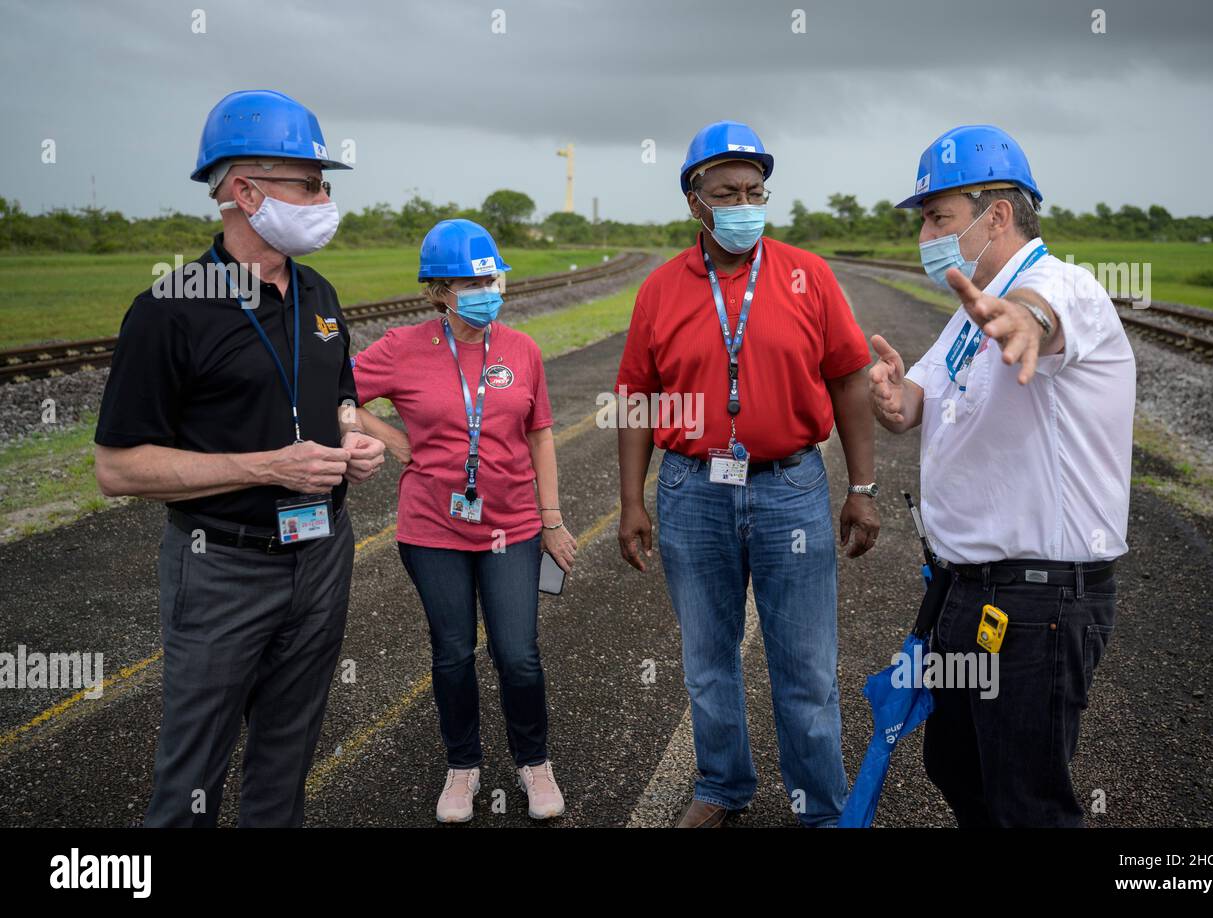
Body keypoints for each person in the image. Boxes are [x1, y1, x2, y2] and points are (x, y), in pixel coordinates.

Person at [93, 90, 386, 827]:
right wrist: (267, 467)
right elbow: (118, 468)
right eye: (308, 182)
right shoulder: (170, 308)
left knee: (286, 759)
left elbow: (340, 390)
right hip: (221, 564)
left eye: (325, 183)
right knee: (192, 771)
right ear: (244, 191)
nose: (324, 198)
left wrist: (352, 434)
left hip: (321, 552)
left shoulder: (318, 292)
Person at [615, 121, 880, 828]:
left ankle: (821, 806)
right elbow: (637, 400)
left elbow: (851, 380)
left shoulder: (808, 275)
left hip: (789, 486)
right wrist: (630, 502)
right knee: (707, 659)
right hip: (691, 490)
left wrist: (860, 488)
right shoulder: (661, 290)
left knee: (806, 667)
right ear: (694, 202)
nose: (744, 203)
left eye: (756, 191)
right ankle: (722, 786)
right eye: (727, 191)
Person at [871, 124, 1136, 826]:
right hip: (967, 591)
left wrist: (1025, 321)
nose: (924, 234)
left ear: (997, 214)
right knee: (956, 766)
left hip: (1039, 605)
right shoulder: (966, 315)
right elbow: (915, 405)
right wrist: (894, 398)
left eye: (938, 217)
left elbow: (1042, 319)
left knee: (1027, 800)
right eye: (924, 218)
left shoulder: (1060, 286)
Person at [347, 219, 577, 823]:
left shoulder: (522, 349)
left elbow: (541, 433)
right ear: (438, 290)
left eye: (491, 277)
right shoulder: (402, 347)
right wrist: (389, 436)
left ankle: (534, 762)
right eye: (468, 281)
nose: (485, 288)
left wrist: (551, 519)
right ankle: (462, 767)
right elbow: (332, 390)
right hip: (432, 532)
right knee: (452, 653)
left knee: (518, 654)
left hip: (515, 527)